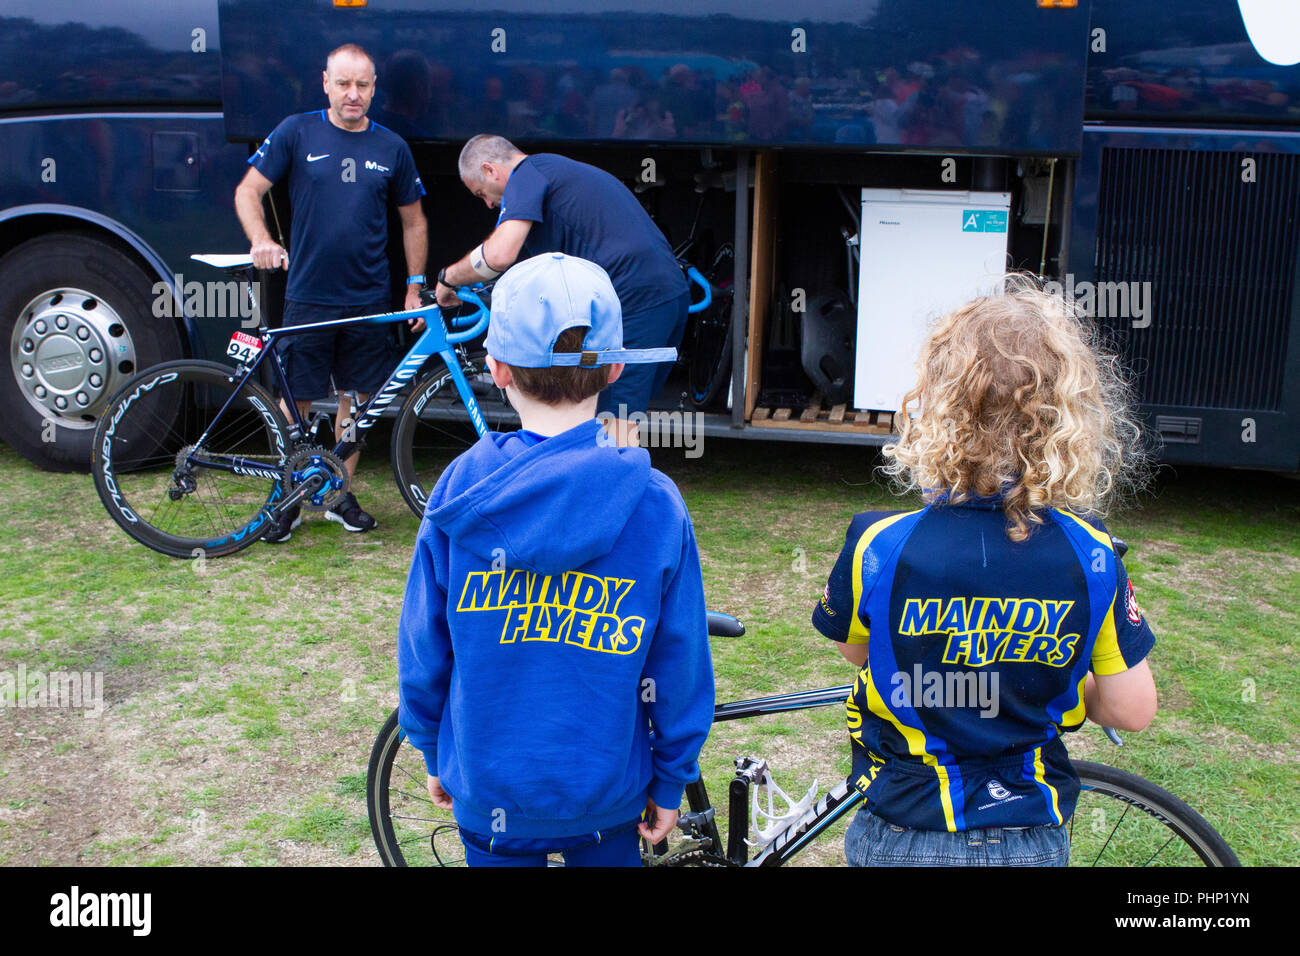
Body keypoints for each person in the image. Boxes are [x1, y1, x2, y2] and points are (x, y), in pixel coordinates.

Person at [812, 277, 1157, 866]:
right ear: (1067, 416)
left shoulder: (880, 543)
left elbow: (857, 650)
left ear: (939, 404)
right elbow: (1132, 710)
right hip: (1030, 828)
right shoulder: (1093, 554)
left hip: (904, 827)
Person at [398, 253, 714, 867]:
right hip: (607, 797)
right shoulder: (654, 501)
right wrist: (672, 777)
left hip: (492, 794)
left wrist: (434, 746)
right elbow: (679, 659)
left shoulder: (460, 487)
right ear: (617, 367)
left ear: (496, 369)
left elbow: (423, 642)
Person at [234, 43, 429, 541]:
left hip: (368, 300)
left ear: (374, 86)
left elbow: (414, 222)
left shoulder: (392, 148)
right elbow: (247, 191)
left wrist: (413, 286)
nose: (353, 94)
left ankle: (337, 494)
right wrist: (261, 239)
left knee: (360, 402)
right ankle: (287, 497)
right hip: (308, 295)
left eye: (362, 85)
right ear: (325, 82)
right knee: (295, 401)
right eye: (343, 83)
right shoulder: (297, 131)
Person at [434, 134, 689, 446]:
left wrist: (448, 278)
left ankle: (611, 491)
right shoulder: (556, 172)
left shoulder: (526, 175)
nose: (488, 204)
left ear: (490, 170)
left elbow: (499, 254)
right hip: (666, 293)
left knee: (614, 426)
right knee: (616, 419)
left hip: (637, 299)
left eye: (480, 193)